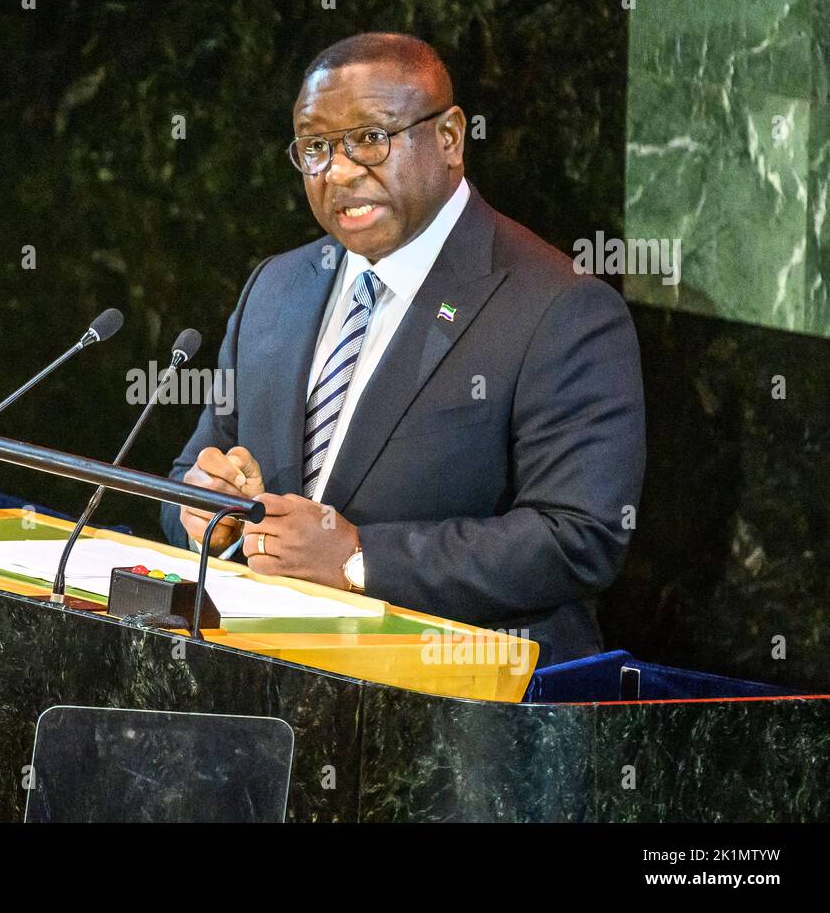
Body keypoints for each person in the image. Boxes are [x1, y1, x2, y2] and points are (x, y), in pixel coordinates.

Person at [160, 33, 646, 664]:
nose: (337, 171)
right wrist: (205, 514)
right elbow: (190, 475)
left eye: (369, 138)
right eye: (316, 148)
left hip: (461, 707)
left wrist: (361, 559)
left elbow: (581, 536)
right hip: (264, 683)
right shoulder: (275, 287)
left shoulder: (561, 308)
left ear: (448, 138)